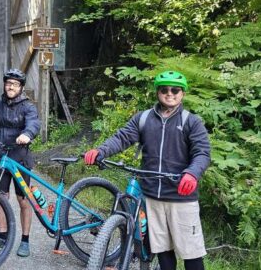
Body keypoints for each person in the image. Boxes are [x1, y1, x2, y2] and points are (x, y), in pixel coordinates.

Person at [83, 70, 211, 270]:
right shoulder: (143, 119)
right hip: (152, 196)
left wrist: (192, 173)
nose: (170, 93)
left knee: (191, 253)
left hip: (181, 197)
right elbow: (122, 137)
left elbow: (202, 153)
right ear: (157, 92)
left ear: (182, 93)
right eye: (164, 89)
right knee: (163, 251)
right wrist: (101, 151)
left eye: (175, 90)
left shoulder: (191, 121)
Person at [0, 69, 40, 258]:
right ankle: (2, 237)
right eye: (8, 83)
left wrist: (27, 134)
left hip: (20, 159)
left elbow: (34, 124)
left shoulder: (28, 107)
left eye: (15, 84)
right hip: (1, 158)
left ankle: (25, 240)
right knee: (1, 197)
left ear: (21, 87)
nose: (11, 87)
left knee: (24, 200)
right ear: (4, 84)